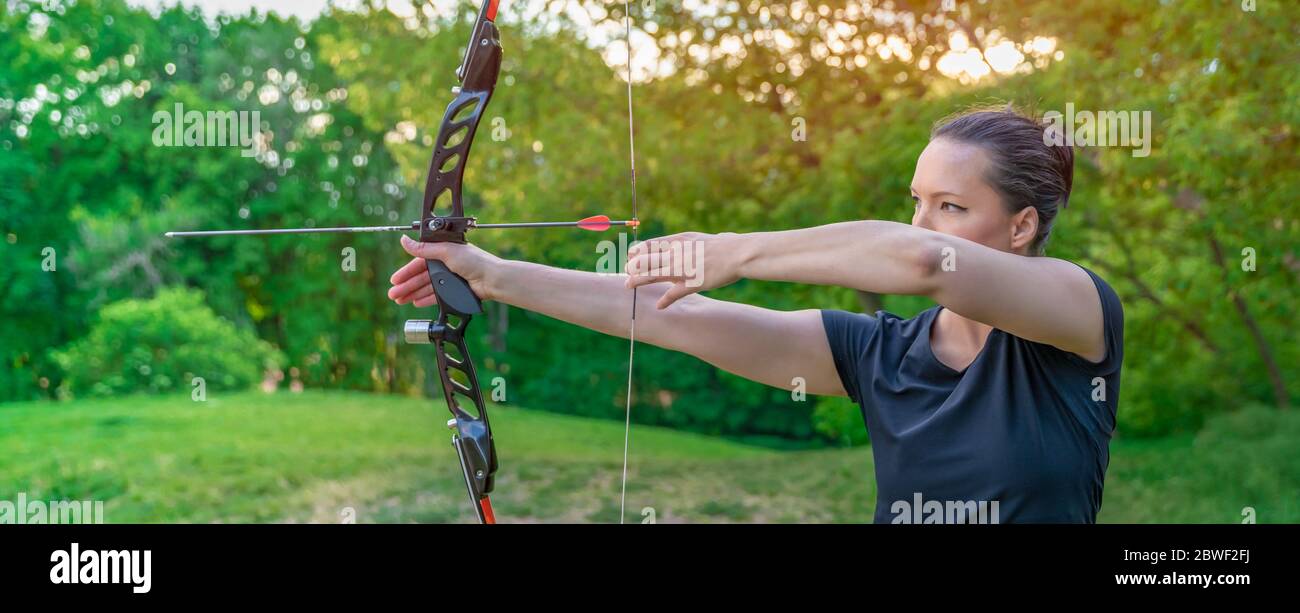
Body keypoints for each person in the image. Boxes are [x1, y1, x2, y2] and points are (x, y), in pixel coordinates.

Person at [387, 105, 1124, 524]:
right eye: (917, 201)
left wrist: (739, 249)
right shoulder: (881, 356)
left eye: (952, 206)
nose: (924, 223)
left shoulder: (1075, 316)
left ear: (1022, 226)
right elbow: (673, 316)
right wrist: (496, 275)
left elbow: (923, 263)